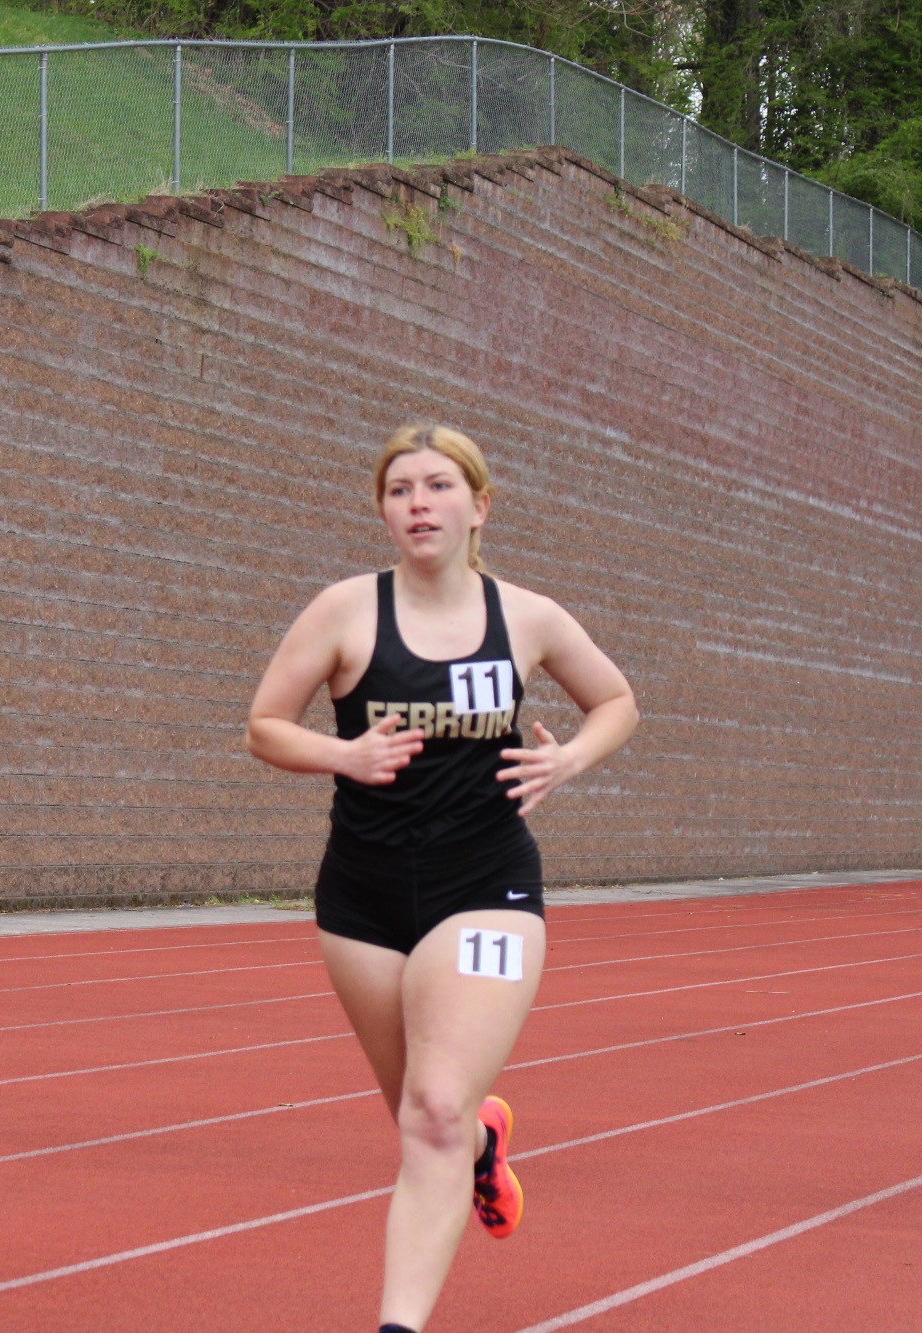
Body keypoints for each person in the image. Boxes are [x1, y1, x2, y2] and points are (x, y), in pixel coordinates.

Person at [246, 423, 638, 1332]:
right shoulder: (345, 611)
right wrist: (343, 753)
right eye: (399, 490)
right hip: (363, 899)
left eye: (438, 486)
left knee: (431, 1111)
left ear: (479, 506)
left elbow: (616, 699)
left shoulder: (527, 618)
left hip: (486, 884)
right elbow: (266, 725)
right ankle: (482, 1144)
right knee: (425, 1118)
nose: (418, 503)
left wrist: (569, 760)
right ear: (383, 512)